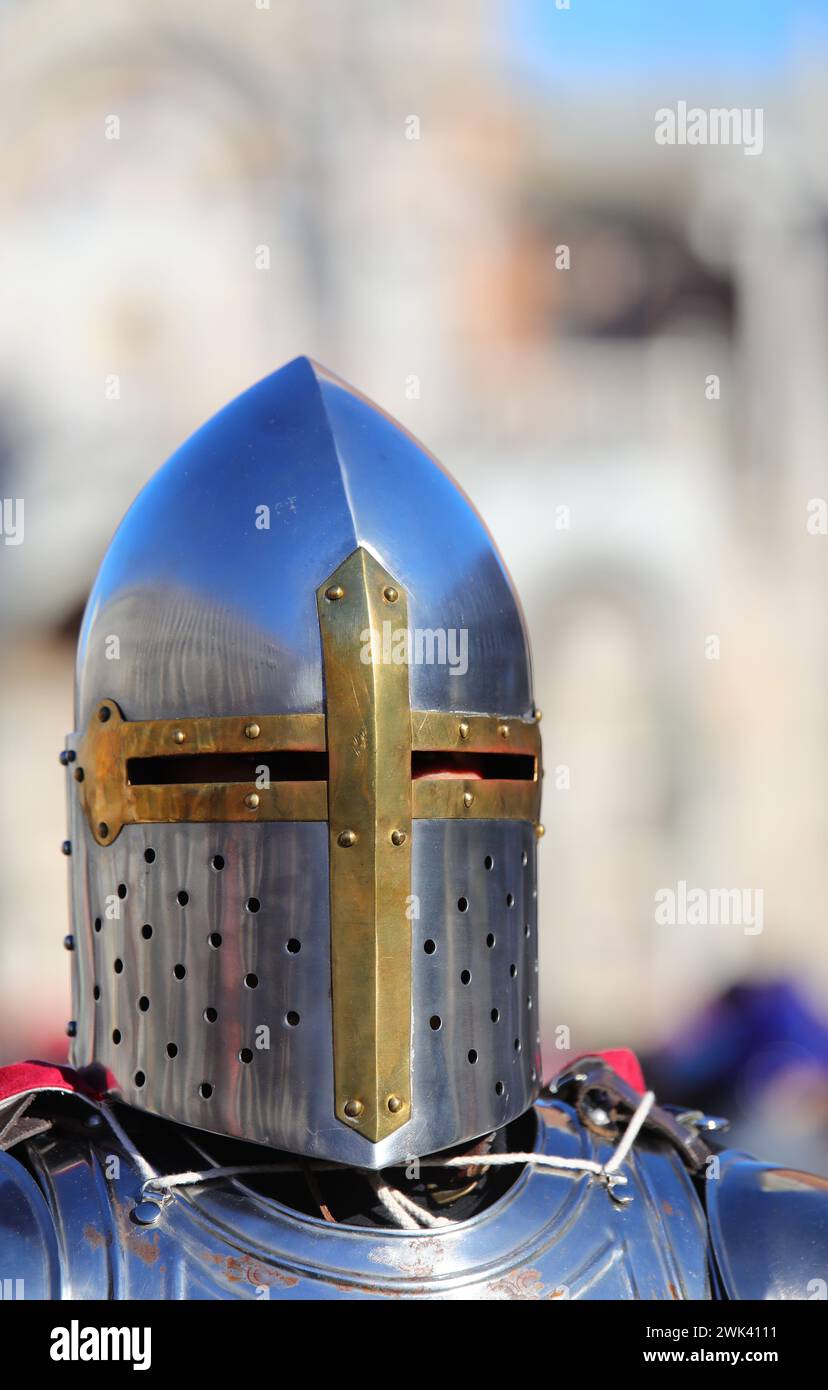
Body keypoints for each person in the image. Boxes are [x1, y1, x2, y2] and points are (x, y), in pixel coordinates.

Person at [0, 358, 824, 1299]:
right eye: (270, 773)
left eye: (437, 772)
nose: (369, 845)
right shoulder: (36, 1254)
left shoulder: (745, 1255)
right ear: (109, 803)